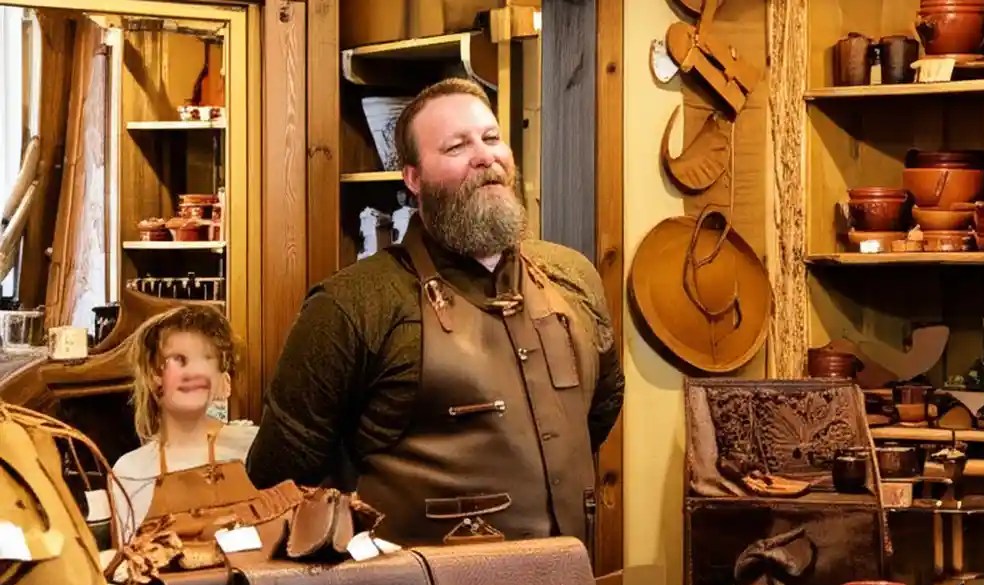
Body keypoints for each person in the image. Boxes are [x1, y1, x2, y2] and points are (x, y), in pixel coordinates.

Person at [247, 77, 624, 547]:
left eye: (490, 138)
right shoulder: (352, 305)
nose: (484, 156)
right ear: (413, 178)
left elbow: (598, 410)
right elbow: (278, 475)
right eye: (456, 146)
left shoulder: (574, 278)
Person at [111, 306, 257, 544]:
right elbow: (124, 568)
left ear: (224, 381)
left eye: (206, 358)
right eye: (178, 360)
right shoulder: (130, 472)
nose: (193, 372)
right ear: (153, 377)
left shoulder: (254, 449)